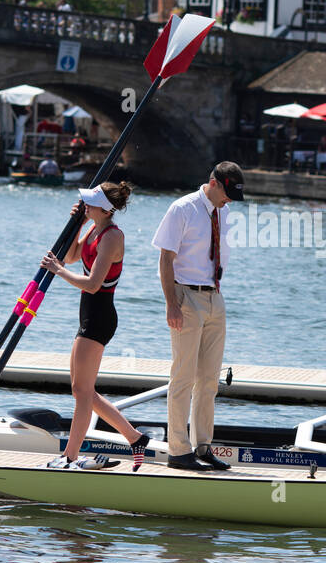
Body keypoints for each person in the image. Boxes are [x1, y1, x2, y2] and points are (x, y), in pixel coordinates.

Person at [40, 183, 157, 470]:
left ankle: (69, 456)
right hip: (89, 317)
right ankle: (135, 438)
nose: (84, 205)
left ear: (106, 209)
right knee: (84, 391)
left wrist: (58, 271)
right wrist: (78, 224)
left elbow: (92, 284)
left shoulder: (112, 237)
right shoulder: (93, 228)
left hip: (100, 317)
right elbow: (70, 256)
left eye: (89, 203)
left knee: (81, 392)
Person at [152, 161, 246, 472]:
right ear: (214, 182)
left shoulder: (223, 211)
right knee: (183, 377)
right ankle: (179, 451)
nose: (230, 200)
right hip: (185, 295)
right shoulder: (183, 208)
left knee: (209, 380)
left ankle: (203, 446)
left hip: (214, 295)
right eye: (228, 193)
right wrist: (171, 304)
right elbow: (166, 258)